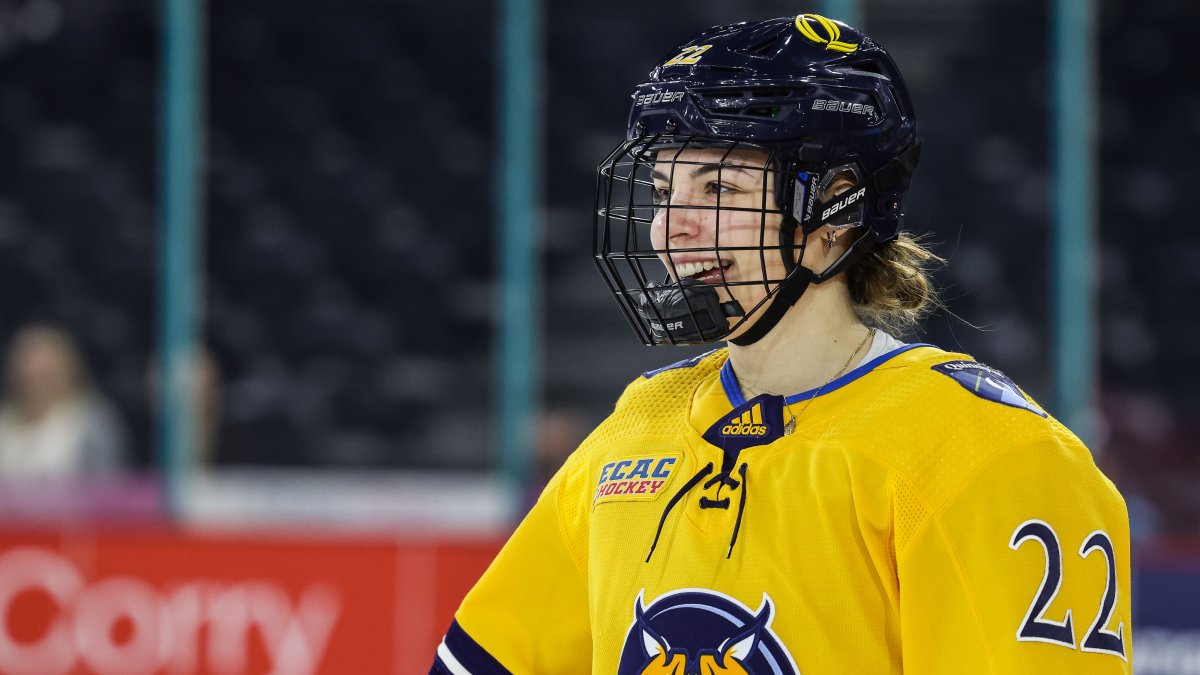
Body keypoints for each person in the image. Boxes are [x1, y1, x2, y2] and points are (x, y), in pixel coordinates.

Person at [433, 14, 1131, 674]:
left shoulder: (985, 453)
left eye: (718, 187)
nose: (670, 228)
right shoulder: (636, 431)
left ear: (835, 207)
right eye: (663, 190)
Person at [0, 324, 129, 476]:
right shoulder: (5, 419)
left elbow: (110, 479)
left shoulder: (90, 419)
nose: (36, 383)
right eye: (28, 375)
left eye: (45, 375)